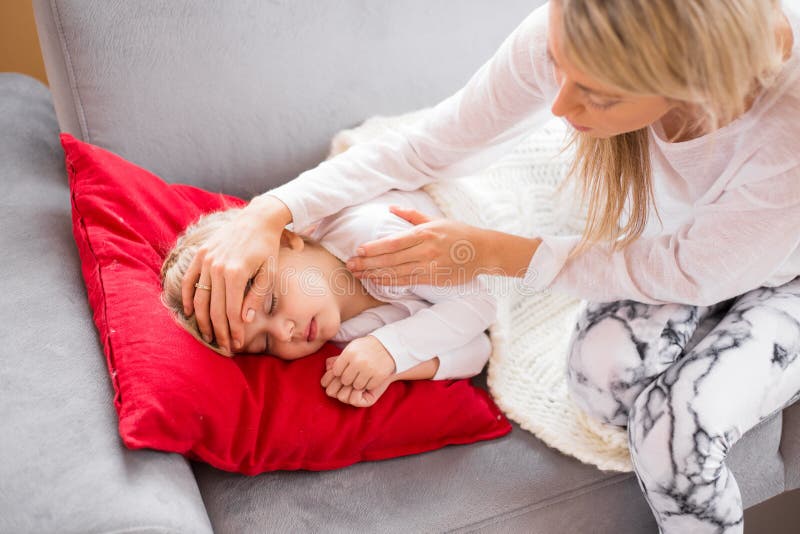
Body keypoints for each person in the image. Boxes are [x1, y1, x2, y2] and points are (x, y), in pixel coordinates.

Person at [180, 1, 800, 532]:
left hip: (773, 271)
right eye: (560, 68)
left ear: (691, 80)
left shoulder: (784, 129)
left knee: (674, 434)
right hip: (692, 250)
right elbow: (426, 147)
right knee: (603, 384)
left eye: (599, 94)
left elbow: (686, 272)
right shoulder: (582, 22)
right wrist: (266, 212)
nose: (560, 108)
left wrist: (488, 255)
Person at [161, 189, 496, 407]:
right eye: (263, 344)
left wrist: (391, 349)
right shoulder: (342, 334)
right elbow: (479, 348)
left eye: (271, 302)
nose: (281, 333)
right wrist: (391, 368)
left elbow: (485, 301)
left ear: (288, 240)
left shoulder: (375, 238)